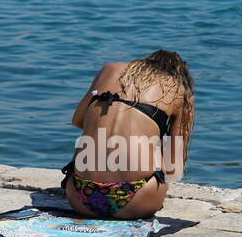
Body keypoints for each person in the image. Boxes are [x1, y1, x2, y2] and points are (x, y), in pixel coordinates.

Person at [64, 50, 194, 219]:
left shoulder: (110, 69)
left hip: (80, 197)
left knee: (91, 137)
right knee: (155, 143)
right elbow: (174, 167)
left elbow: (78, 121)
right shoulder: (179, 90)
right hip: (138, 200)